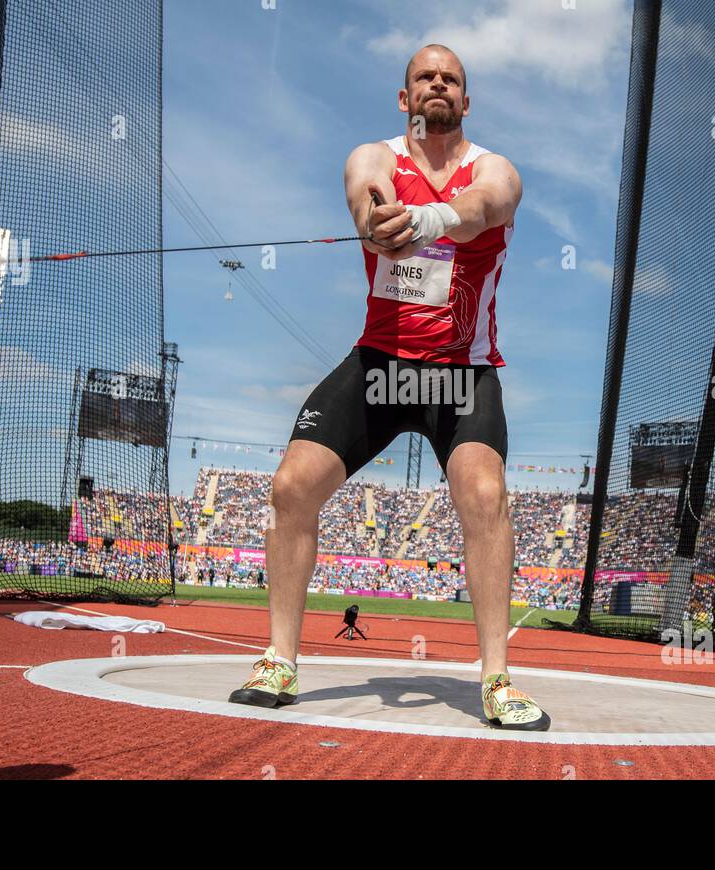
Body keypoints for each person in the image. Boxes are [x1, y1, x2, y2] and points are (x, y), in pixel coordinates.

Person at [229, 44, 548, 731]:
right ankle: (279, 658)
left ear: (465, 101)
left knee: (485, 494)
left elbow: (485, 204)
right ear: (404, 99)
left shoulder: (493, 167)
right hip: (382, 365)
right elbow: (364, 192)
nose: (438, 84)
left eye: (451, 79)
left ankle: (495, 678)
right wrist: (377, 222)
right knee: (291, 485)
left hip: (461, 374)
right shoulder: (374, 155)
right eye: (424, 77)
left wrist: (433, 220)